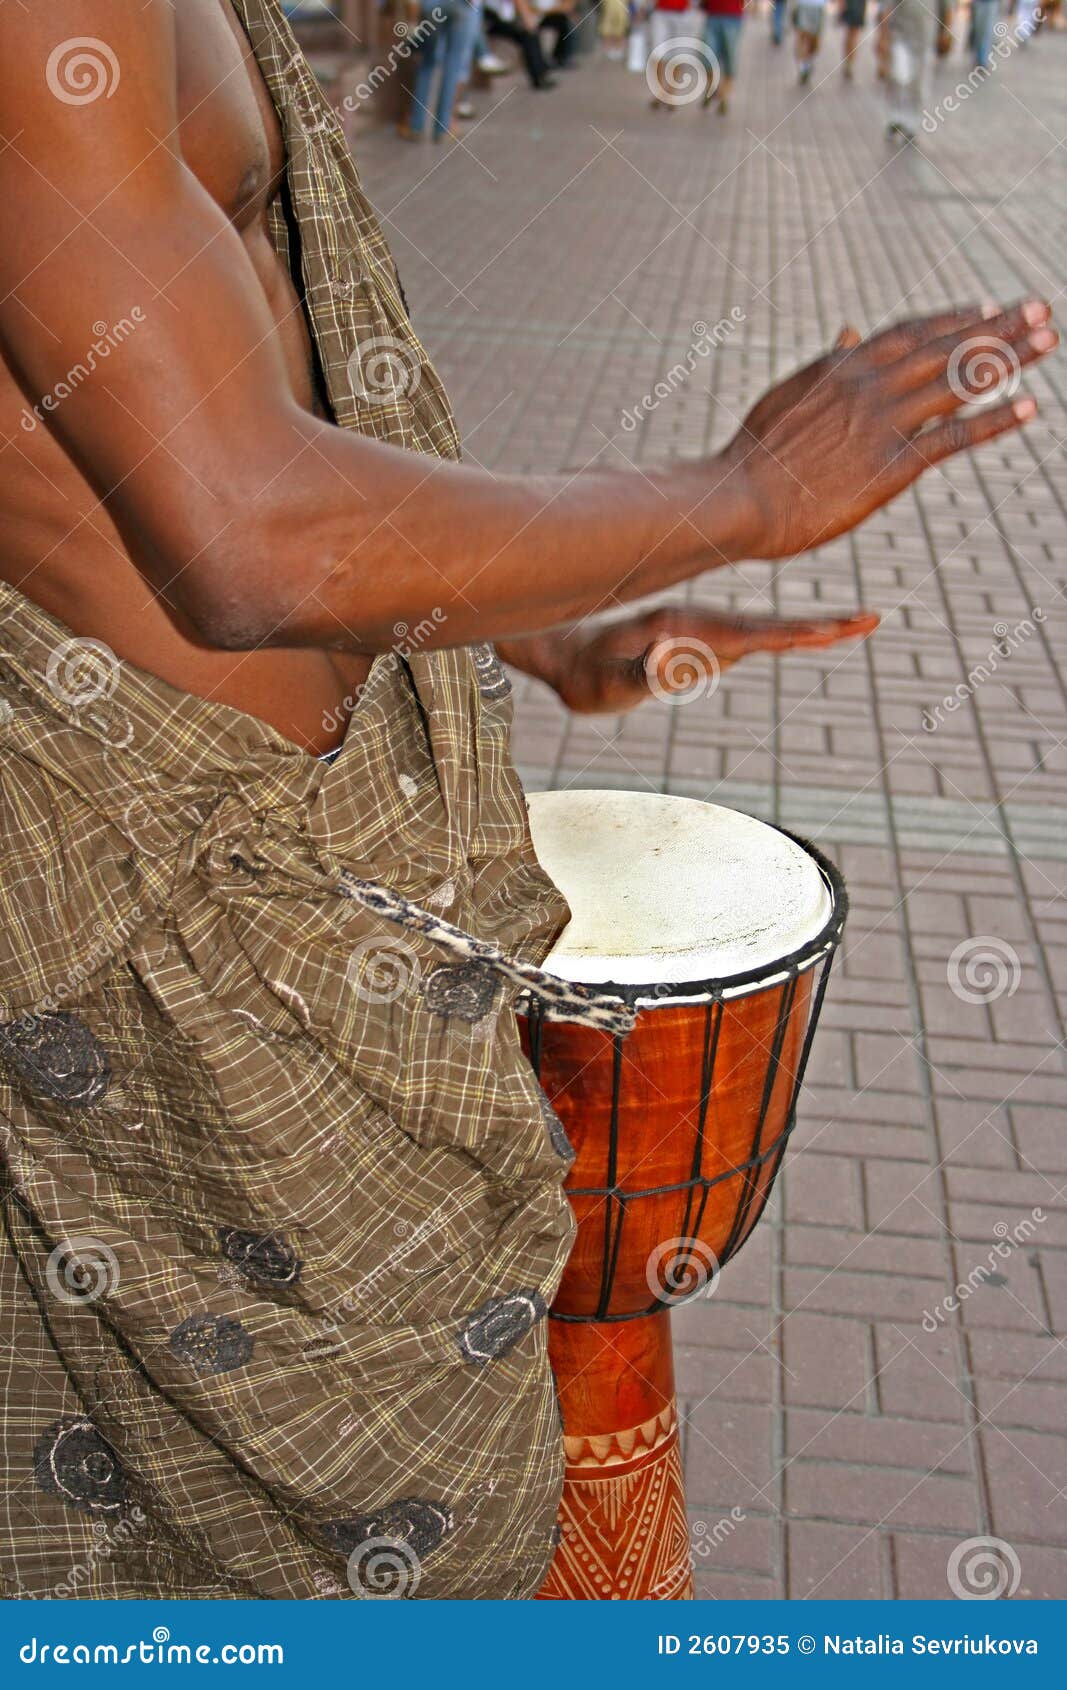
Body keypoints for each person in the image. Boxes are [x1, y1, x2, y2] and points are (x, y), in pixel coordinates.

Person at [0, 0, 1055, 1602]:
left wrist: (539, 623)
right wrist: (734, 497)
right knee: (272, 1552)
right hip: (182, 926)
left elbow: (211, 406)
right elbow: (242, 533)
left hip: (304, 868)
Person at [401, 0, 482, 140]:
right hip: (461, 6)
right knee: (453, 64)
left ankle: (416, 125)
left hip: (431, 6)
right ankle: (443, 128)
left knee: (427, 62)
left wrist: (412, 20)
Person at [884, 0, 934, 140]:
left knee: (918, 84)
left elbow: (946, 7)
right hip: (901, 37)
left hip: (925, 40)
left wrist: (946, 31)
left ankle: (911, 124)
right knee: (899, 77)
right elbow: (888, 8)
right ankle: (896, 117)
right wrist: (884, 36)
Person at [484, 0, 558, 85]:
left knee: (529, 32)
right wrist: (527, 20)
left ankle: (542, 69)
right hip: (491, 19)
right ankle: (540, 75)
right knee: (528, 34)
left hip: (497, 18)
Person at [701, 0, 745, 114]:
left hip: (733, 18)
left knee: (730, 60)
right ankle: (713, 88)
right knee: (707, 58)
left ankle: (724, 98)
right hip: (712, 16)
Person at [794, 0, 829, 81]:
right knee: (803, 35)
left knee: (814, 40)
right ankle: (803, 65)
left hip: (818, 5)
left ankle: (807, 61)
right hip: (803, 5)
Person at [840, 0, 867, 77]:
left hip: (854, 5)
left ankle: (848, 61)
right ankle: (849, 62)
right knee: (853, 35)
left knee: (850, 34)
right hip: (855, 5)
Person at [970, 0, 999, 68]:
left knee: (986, 32)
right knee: (979, 31)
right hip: (979, 3)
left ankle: (983, 60)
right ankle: (979, 58)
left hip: (989, 3)